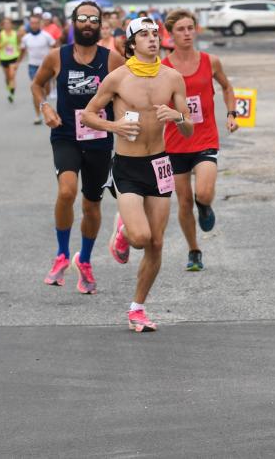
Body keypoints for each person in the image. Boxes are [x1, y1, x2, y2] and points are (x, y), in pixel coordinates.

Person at [81, 17, 193, 332]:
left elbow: (188, 129)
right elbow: (88, 115)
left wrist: (177, 116)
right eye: (144, 35)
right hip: (127, 166)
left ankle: (137, 308)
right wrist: (114, 126)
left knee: (156, 243)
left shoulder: (173, 78)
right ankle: (124, 231)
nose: (152, 39)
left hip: (159, 164)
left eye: (156, 34)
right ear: (132, 43)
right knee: (140, 238)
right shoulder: (117, 79)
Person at [31, 1, 125, 294]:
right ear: (73, 23)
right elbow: (37, 85)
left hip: (98, 140)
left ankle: (83, 260)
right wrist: (45, 107)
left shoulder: (112, 60)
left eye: (93, 20)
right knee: (66, 191)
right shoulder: (56, 57)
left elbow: (129, 91)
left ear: (99, 25)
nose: (87, 23)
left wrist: (124, 123)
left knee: (91, 204)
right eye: (82, 18)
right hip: (66, 135)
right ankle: (61, 255)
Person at [163, 9, 239, 271]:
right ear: (171, 34)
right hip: (175, 142)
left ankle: (205, 206)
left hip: (205, 137)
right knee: (183, 201)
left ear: (196, 30)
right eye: (180, 29)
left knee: (203, 193)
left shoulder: (210, 61)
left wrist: (231, 113)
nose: (186, 33)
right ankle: (194, 250)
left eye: (190, 28)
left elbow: (227, 87)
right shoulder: (162, 67)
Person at [20, 14, 57, 124]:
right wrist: (16, 64)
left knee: (45, 90)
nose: (34, 25)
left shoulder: (46, 36)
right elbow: (22, 52)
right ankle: (38, 115)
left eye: (36, 23)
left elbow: (55, 48)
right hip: (32, 66)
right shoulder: (26, 38)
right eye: (32, 23)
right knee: (36, 90)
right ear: (29, 24)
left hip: (45, 67)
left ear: (40, 24)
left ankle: (44, 105)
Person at [0, 17, 21, 103]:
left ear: (12, 25)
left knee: (12, 76)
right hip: (4, 58)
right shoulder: (0, 35)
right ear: (3, 25)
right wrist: (3, 44)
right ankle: (9, 88)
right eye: (5, 24)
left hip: (14, 57)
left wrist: (19, 51)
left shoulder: (16, 34)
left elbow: (19, 44)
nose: (7, 25)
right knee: (7, 77)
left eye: (8, 23)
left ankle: (12, 95)